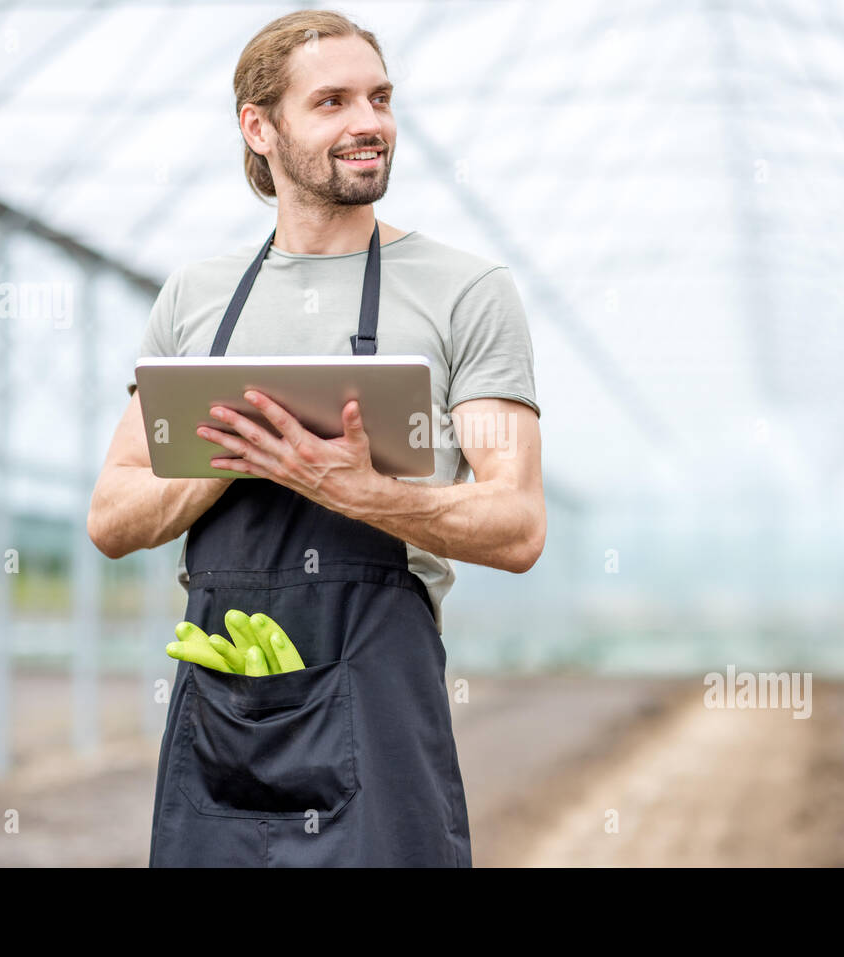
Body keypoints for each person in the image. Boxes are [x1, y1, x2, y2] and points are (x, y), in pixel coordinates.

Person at [87, 9, 544, 867]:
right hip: (221, 699)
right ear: (258, 127)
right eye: (331, 102)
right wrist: (230, 454)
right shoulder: (197, 299)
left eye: (379, 98)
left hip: (376, 694)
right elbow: (111, 516)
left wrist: (357, 490)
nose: (369, 123)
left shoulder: (466, 292)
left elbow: (517, 523)